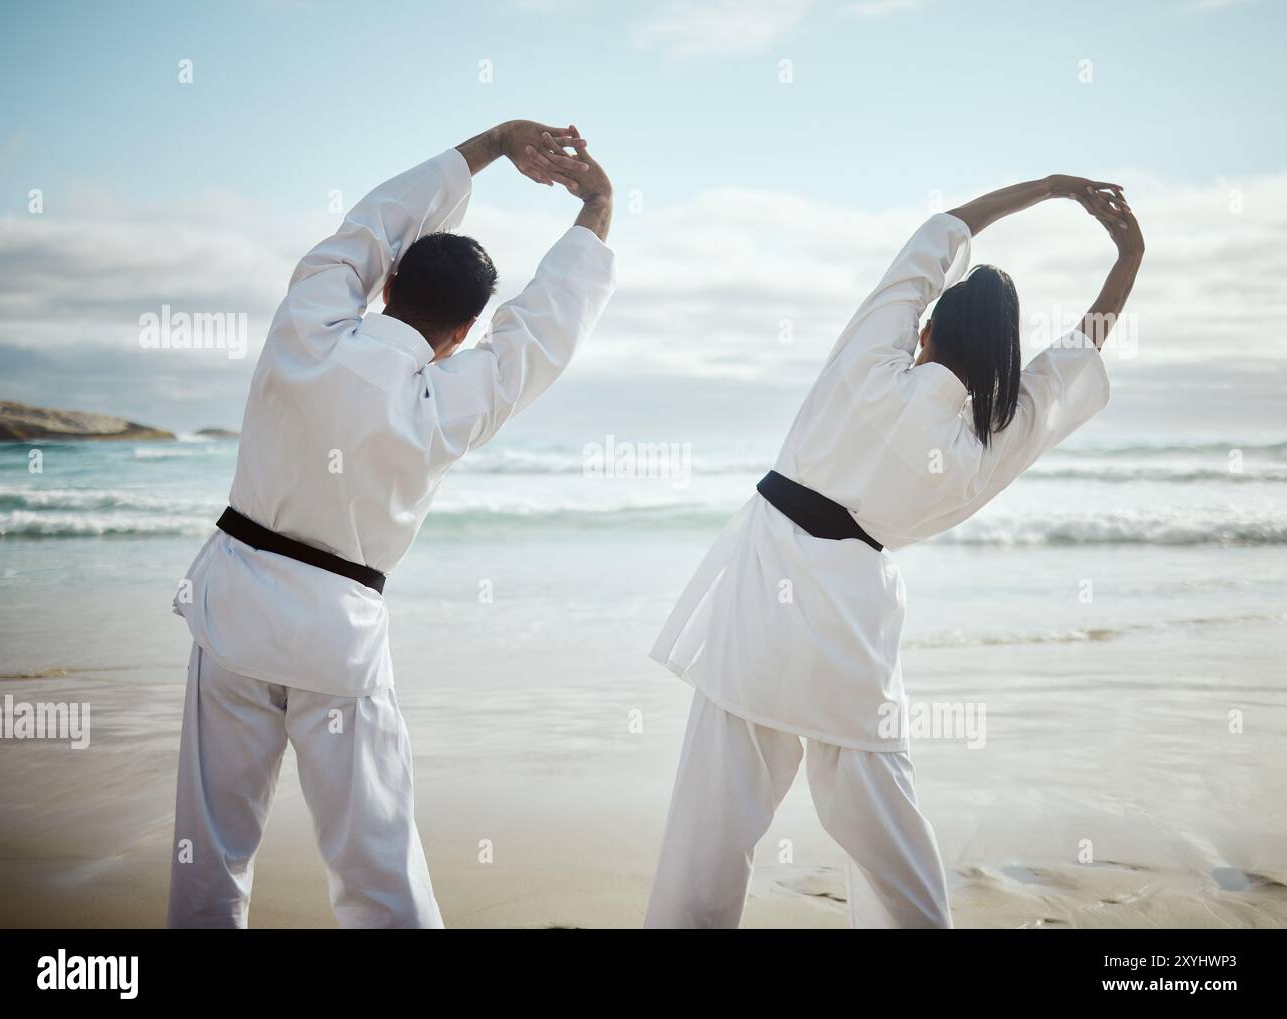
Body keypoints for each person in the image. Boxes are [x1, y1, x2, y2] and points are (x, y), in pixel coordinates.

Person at [645, 178, 1143, 929]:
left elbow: (933, 240)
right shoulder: (984, 447)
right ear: (998, 359)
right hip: (849, 626)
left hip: (758, 589)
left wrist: (1050, 190)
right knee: (888, 832)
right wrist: (1130, 257)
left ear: (926, 333)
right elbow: (1075, 355)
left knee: (709, 832)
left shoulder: (866, 367)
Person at [166, 120, 615, 928]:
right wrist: (597, 206)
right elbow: (544, 329)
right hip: (336, 637)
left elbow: (370, 224)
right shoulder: (447, 398)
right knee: (376, 867)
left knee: (212, 850)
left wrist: (492, 144)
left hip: (232, 607)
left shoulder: (306, 324)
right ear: (466, 334)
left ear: (388, 280)